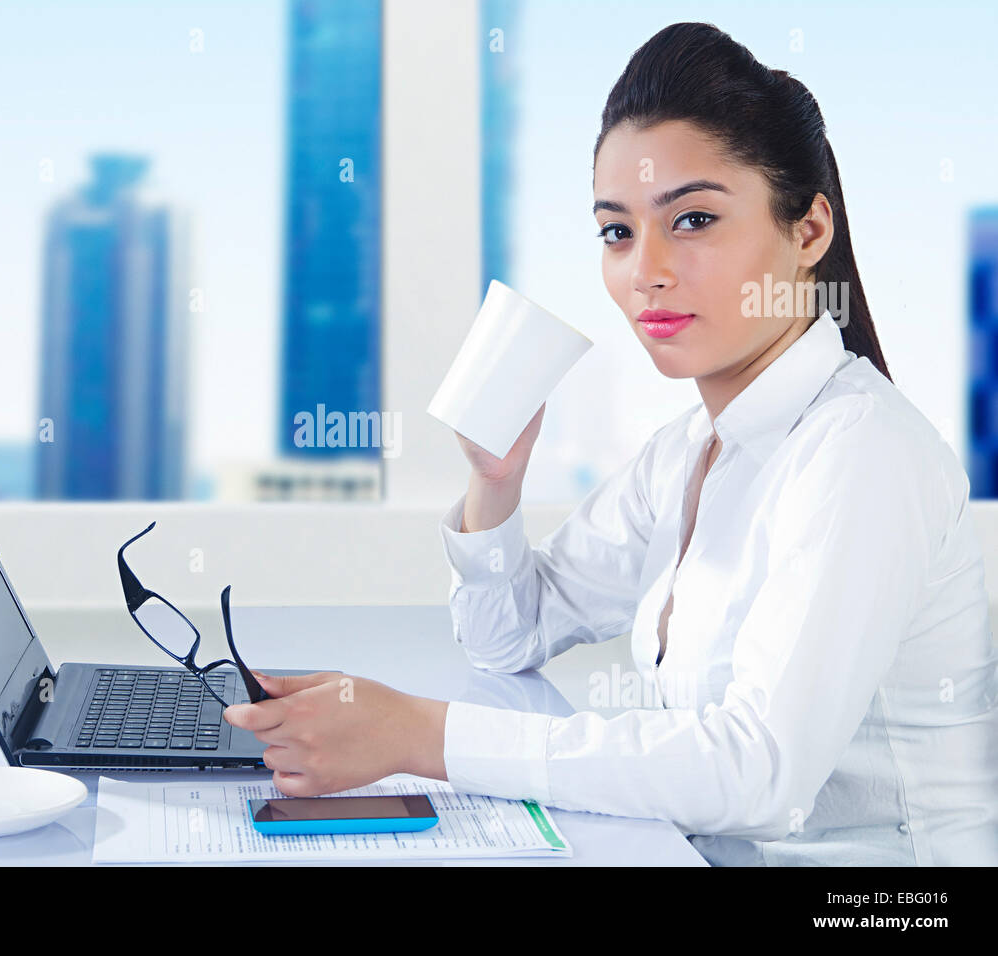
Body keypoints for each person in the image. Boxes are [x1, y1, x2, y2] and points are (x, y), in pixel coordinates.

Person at [222, 21, 998, 865]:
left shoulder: (861, 451)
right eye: (616, 231)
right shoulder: (690, 452)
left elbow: (760, 772)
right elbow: (508, 638)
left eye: (693, 219)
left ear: (809, 233)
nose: (646, 270)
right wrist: (495, 484)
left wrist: (421, 735)